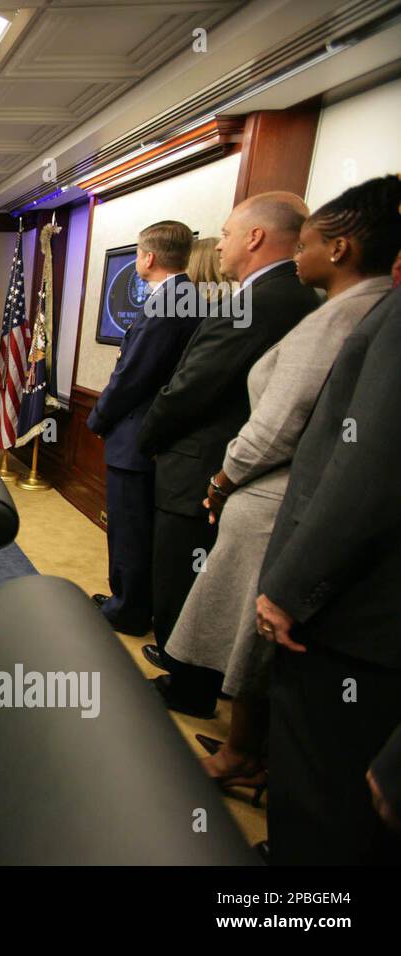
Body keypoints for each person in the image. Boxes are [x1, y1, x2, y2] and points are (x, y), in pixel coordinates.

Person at [167, 177, 397, 807]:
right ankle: (247, 751)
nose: (300, 252)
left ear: (342, 249)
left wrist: (223, 476)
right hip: (280, 502)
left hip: (275, 504)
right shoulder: (357, 307)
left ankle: (243, 756)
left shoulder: (350, 313)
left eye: (312, 242)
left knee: (257, 643)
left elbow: (281, 421)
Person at [138, 192, 321, 718]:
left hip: (203, 466)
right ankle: (195, 670)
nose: (219, 246)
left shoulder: (254, 304)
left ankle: (187, 682)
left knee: (184, 574)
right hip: (244, 471)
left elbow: (189, 389)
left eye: (228, 233)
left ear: (257, 237)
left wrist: (147, 437)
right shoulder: (302, 298)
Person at [86, 221, 196, 636]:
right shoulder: (185, 298)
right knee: (134, 526)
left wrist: (97, 419)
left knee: (130, 528)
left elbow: (133, 375)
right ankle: (127, 599)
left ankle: (128, 610)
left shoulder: (169, 303)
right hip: (152, 435)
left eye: (137, 254)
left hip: (137, 437)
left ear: (148, 257)